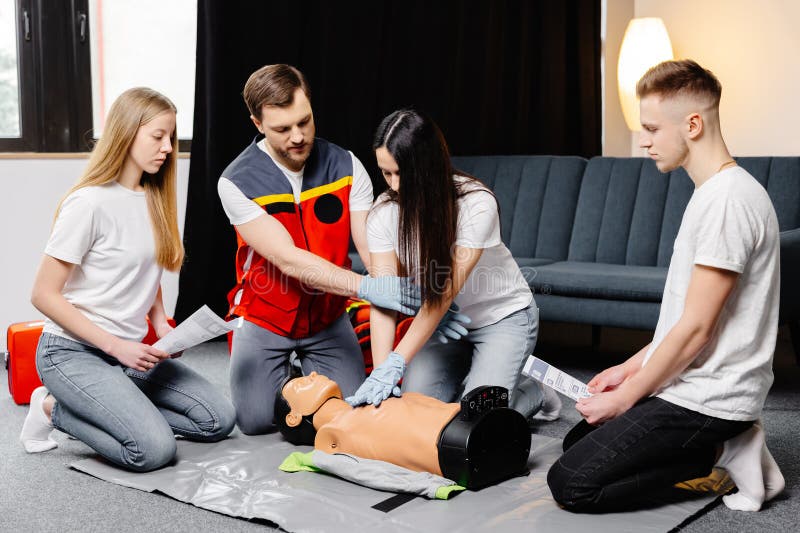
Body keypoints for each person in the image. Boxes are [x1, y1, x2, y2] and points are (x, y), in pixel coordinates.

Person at [547, 59, 785, 513]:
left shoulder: (728, 203)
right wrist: (628, 370)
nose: (644, 141)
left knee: (573, 483)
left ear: (693, 124)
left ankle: (724, 450)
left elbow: (696, 330)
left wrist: (626, 399)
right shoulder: (711, 193)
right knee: (578, 441)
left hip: (711, 399)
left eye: (652, 128)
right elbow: (683, 319)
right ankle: (715, 448)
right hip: (689, 383)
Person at [219, 65, 443, 435]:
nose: (298, 136)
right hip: (265, 316)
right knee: (256, 421)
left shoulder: (347, 165)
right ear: (257, 123)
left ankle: (307, 377)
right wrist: (365, 287)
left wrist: (415, 294)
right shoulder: (235, 181)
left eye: (304, 122)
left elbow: (374, 253)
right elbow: (288, 257)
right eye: (282, 128)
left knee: (350, 414)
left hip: (327, 317)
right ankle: (289, 378)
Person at [20, 87, 236, 472]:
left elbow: (144, 273)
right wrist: (117, 347)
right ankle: (52, 407)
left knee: (218, 419)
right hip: (72, 352)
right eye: (158, 136)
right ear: (126, 133)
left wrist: (160, 324)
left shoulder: (153, 198)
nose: (168, 147)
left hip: (129, 355)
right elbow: (43, 294)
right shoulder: (89, 203)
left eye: (170, 136)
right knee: (153, 451)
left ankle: (120, 408)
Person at [346, 109, 561, 423]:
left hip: (501, 318)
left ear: (428, 167)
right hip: (443, 327)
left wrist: (398, 362)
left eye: (402, 173)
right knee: (413, 415)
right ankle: (485, 382)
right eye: (386, 173)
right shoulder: (384, 211)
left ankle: (533, 391)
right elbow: (385, 296)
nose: (395, 186)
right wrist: (384, 373)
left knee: (474, 422)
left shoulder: (476, 203)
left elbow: (443, 294)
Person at [275, 372, 530, 489]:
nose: (313, 373)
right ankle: (534, 393)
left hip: (465, 420)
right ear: (294, 417)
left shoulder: (366, 401)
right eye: (300, 384)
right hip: (457, 445)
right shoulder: (330, 437)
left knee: (414, 396)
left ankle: (534, 393)